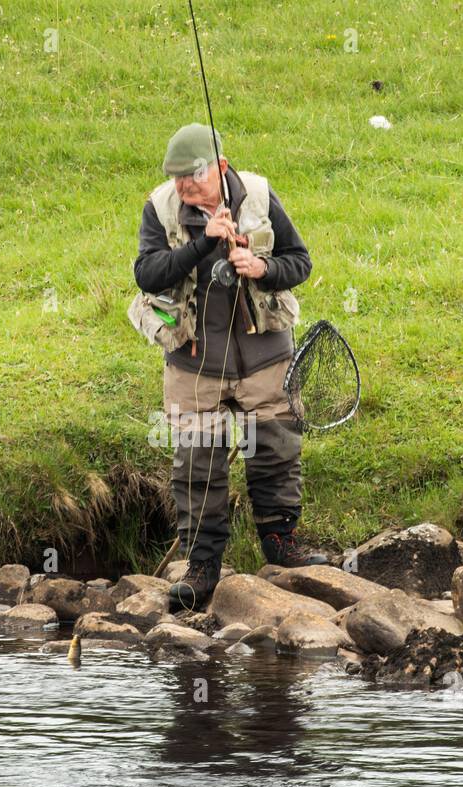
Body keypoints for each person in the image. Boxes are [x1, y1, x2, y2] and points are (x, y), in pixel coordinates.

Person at [132, 123, 327, 612]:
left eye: (192, 177)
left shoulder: (259, 195)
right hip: (194, 360)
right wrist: (203, 245)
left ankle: (282, 549)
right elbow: (148, 272)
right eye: (175, 178)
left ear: (220, 167)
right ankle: (202, 569)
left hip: (265, 354)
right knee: (197, 466)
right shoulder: (160, 208)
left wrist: (263, 269)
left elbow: (299, 261)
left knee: (276, 453)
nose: (183, 187)